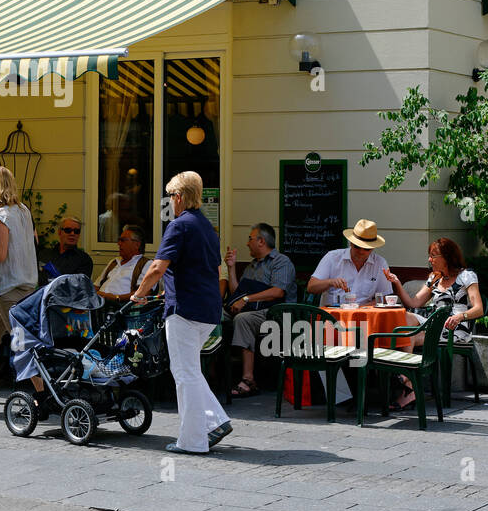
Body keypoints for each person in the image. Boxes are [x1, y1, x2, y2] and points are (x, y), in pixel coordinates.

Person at [130, 171, 232, 454]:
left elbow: (157, 267)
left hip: (185, 309)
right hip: (209, 310)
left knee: (185, 374)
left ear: (179, 197)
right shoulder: (207, 228)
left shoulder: (178, 226)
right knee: (191, 370)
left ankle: (193, 440)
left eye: (171, 196)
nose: (170, 202)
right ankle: (217, 421)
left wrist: (139, 293)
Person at [390, 238, 483, 408]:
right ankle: (409, 384)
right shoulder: (434, 278)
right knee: (405, 321)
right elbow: (413, 304)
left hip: (456, 328)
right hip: (435, 325)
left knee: (408, 336)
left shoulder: (466, 276)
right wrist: (396, 283)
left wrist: (460, 316)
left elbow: (478, 309)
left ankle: (406, 380)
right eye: (429, 256)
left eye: (434, 256)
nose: (429, 260)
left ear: (447, 257)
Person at [0, 167, 40, 389]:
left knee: (22, 345)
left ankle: (43, 393)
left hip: (9, 289)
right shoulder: (24, 211)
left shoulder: (0, 216)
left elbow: (0, 255)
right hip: (27, 286)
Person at [225, 223, 296, 399]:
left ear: (261, 241)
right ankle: (211, 372)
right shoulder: (251, 266)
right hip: (253, 311)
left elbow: (277, 292)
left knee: (243, 319)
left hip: (277, 314)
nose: (247, 243)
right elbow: (236, 295)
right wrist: (231, 268)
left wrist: (246, 299)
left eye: (250, 238)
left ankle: (248, 380)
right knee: (214, 315)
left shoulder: (281, 262)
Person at [306, 219, 402, 306]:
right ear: (351, 243)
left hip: (365, 316)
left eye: (366, 249)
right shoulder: (332, 257)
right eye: (357, 246)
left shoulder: (380, 263)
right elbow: (311, 287)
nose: (361, 251)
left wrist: (361, 308)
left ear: (373, 248)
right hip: (332, 315)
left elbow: (385, 297)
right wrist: (330, 282)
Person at [96, 224, 148, 298]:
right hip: (99, 302)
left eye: (123, 240)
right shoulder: (114, 262)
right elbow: (96, 286)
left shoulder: (146, 264)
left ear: (137, 244)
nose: (119, 244)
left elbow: (144, 293)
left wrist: (116, 298)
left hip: (120, 306)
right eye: (119, 240)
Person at [38, 215, 92, 281]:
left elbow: (78, 286)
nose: (72, 233)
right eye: (68, 230)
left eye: (76, 231)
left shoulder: (84, 260)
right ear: (59, 232)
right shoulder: (44, 254)